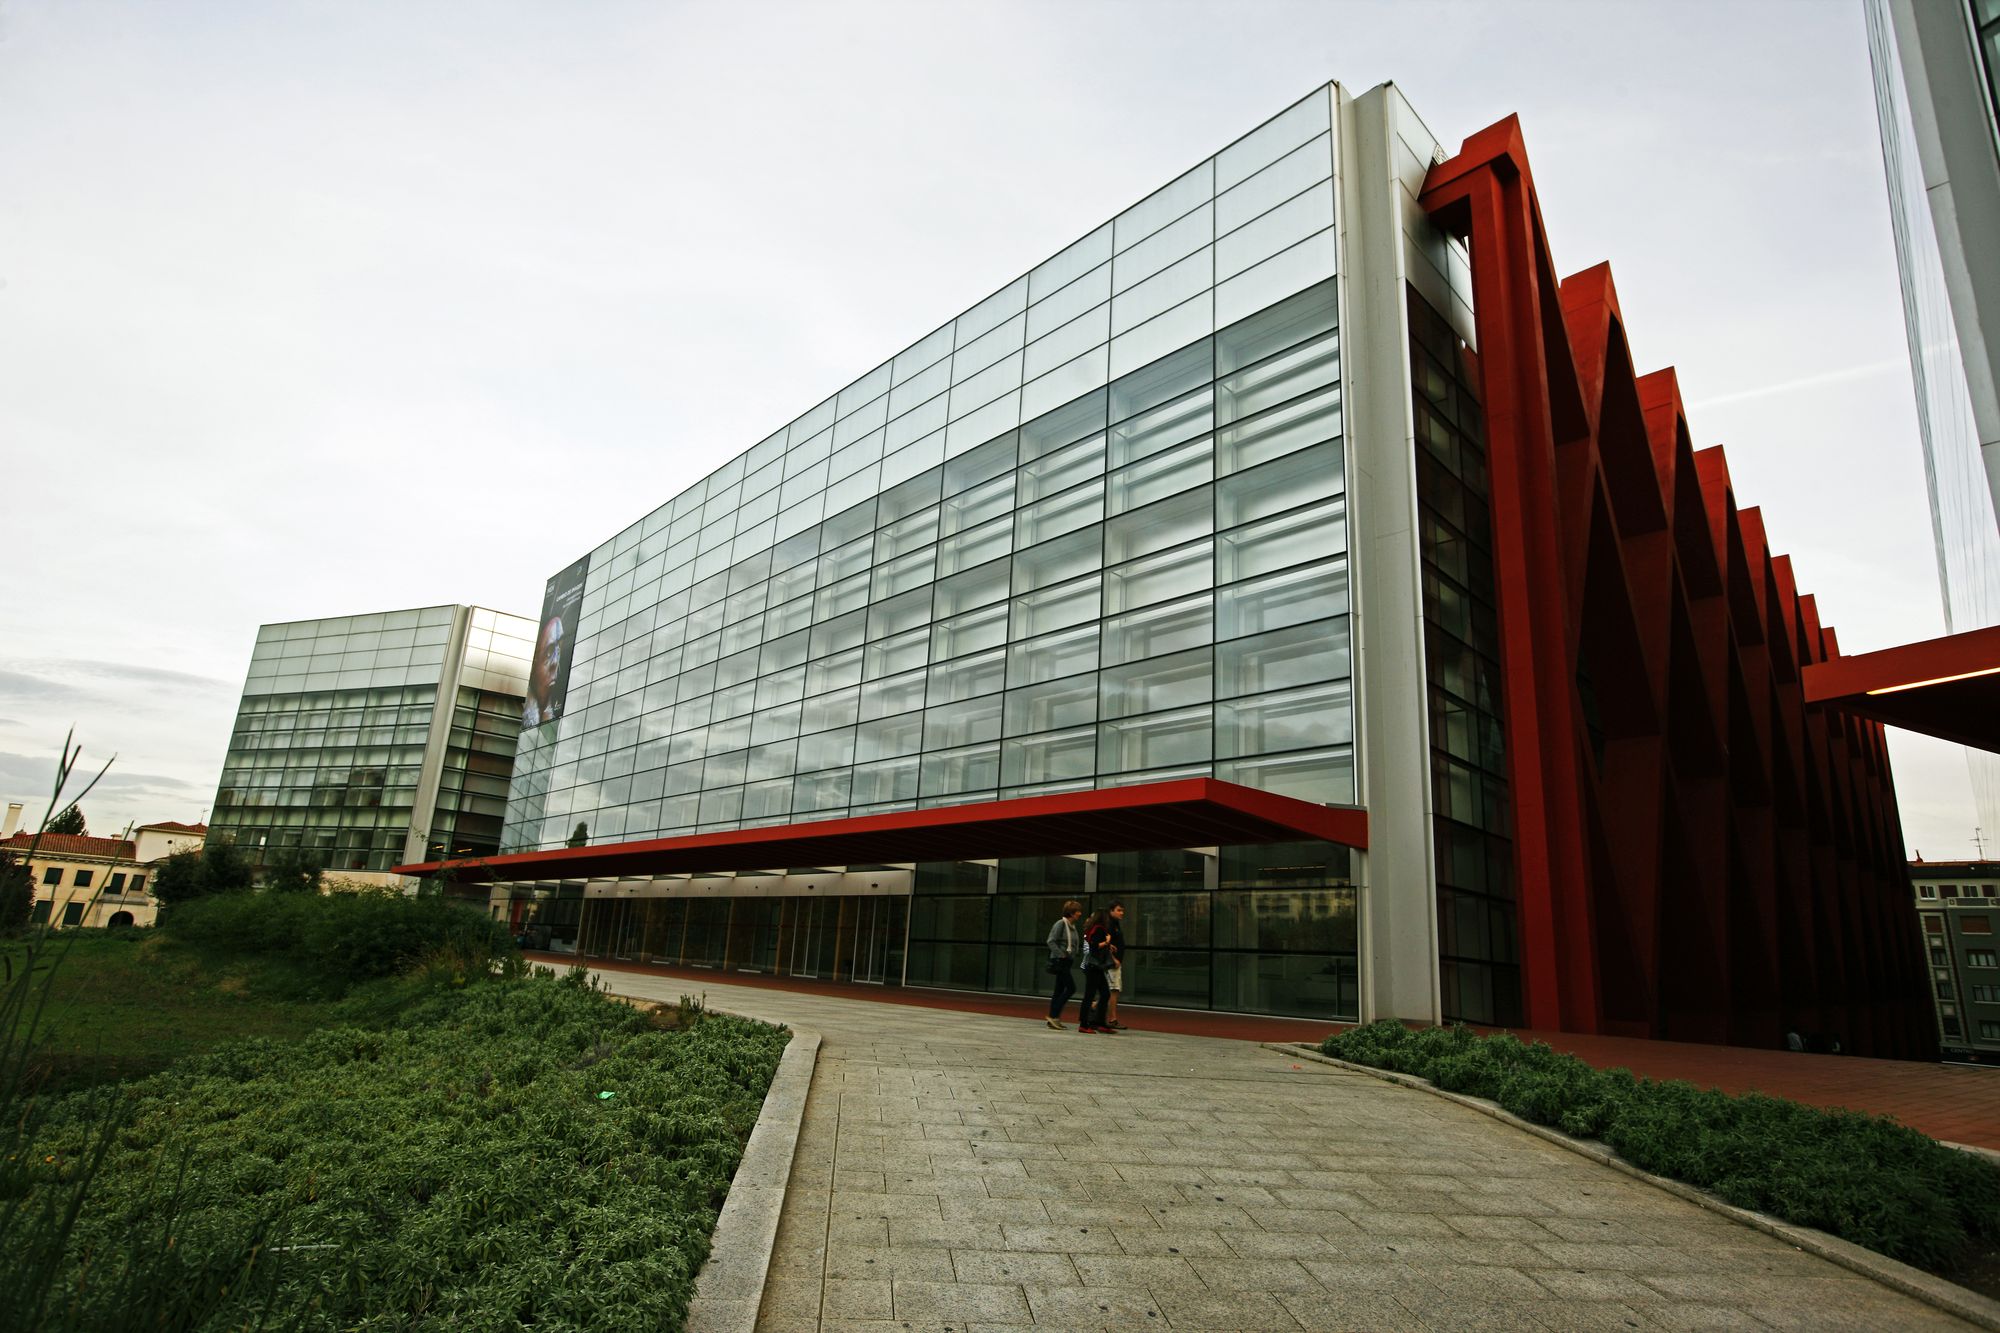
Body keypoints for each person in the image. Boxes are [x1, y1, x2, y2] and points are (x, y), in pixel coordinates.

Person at [1078, 910, 1118, 1035]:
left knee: (1105, 993)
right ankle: (1084, 1024)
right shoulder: (1099, 929)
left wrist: (1108, 945)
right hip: (1094, 966)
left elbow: (1093, 944)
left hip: (1095, 966)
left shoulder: (1093, 929)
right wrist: (1106, 942)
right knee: (1090, 995)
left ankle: (1099, 1022)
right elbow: (1094, 947)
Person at [1044, 900, 1082, 1030]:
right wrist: (1060, 954)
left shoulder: (1072, 926)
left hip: (1067, 961)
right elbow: (1050, 941)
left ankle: (1053, 1018)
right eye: (1078, 911)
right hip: (1061, 961)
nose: (1080, 913)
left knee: (1058, 990)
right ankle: (1053, 1015)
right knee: (1071, 988)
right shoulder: (1061, 924)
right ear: (1071, 913)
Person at [1104, 900, 1127, 1030]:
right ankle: (1112, 1019)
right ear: (1111, 911)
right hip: (1113, 964)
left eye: (1122, 910)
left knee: (1112, 990)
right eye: (1119, 910)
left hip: (1116, 963)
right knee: (1114, 990)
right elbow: (1105, 943)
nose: (1121, 913)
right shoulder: (1110, 924)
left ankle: (1094, 1006)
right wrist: (1113, 959)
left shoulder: (1116, 923)